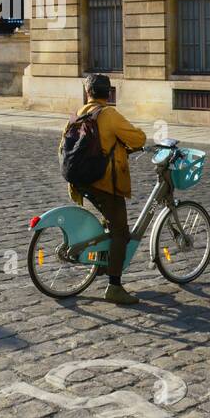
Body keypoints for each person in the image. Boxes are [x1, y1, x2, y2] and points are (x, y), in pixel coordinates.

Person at [62, 73, 146, 305]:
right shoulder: (109, 114)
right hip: (103, 182)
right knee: (120, 231)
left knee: (109, 220)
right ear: (108, 93)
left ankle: (101, 260)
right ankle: (114, 286)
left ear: (87, 92)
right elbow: (138, 139)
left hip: (79, 180)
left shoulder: (79, 113)